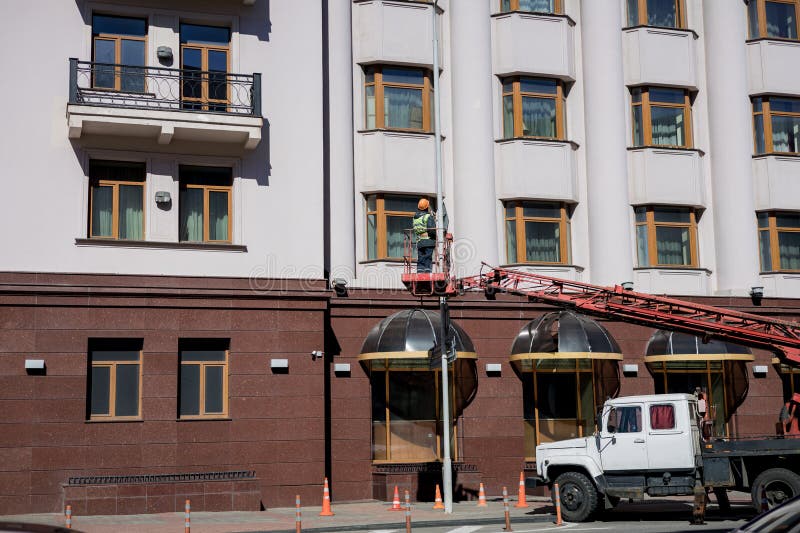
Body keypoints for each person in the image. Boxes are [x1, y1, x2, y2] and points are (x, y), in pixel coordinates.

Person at [413, 198, 436, 273]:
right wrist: (435, 236)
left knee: (421, 257)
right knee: (428, 257)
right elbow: (431, 229)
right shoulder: (428, 216)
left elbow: (415, 229)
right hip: (428, 240)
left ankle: (419, 271)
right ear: (427, 207)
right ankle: (427, 271)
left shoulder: (415, 218)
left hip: (420, 241)